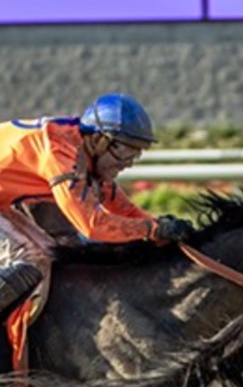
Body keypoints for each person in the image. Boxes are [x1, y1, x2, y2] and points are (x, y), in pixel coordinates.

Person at [0, 93, 194, 313]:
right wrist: (152, 229)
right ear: (100, 139)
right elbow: (92, 225)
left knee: (49, 252)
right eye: (126, 152)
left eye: (136, 154)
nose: (128, 164)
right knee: (33, 258)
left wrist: (162, 225)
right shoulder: (60, 155)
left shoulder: (82, 147)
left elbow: (122, 208)